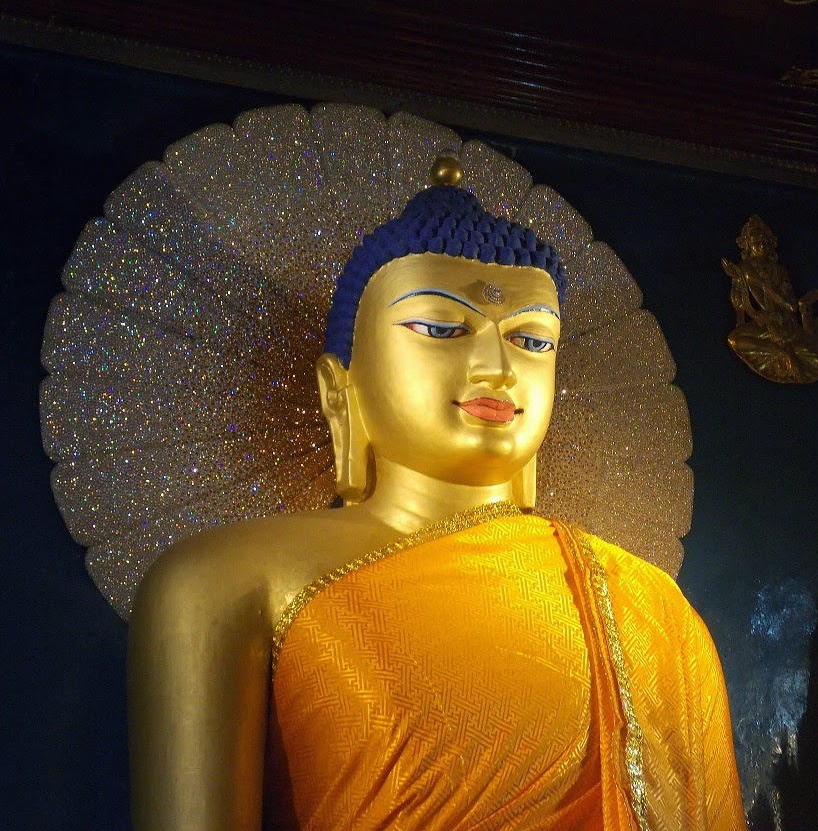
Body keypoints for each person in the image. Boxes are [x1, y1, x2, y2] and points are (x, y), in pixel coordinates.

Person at [128, 177, 744, 831]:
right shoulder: (227, 581)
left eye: (532, 340)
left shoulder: (652, 609)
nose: (496, 367)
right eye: (441, 328)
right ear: (340, 386)